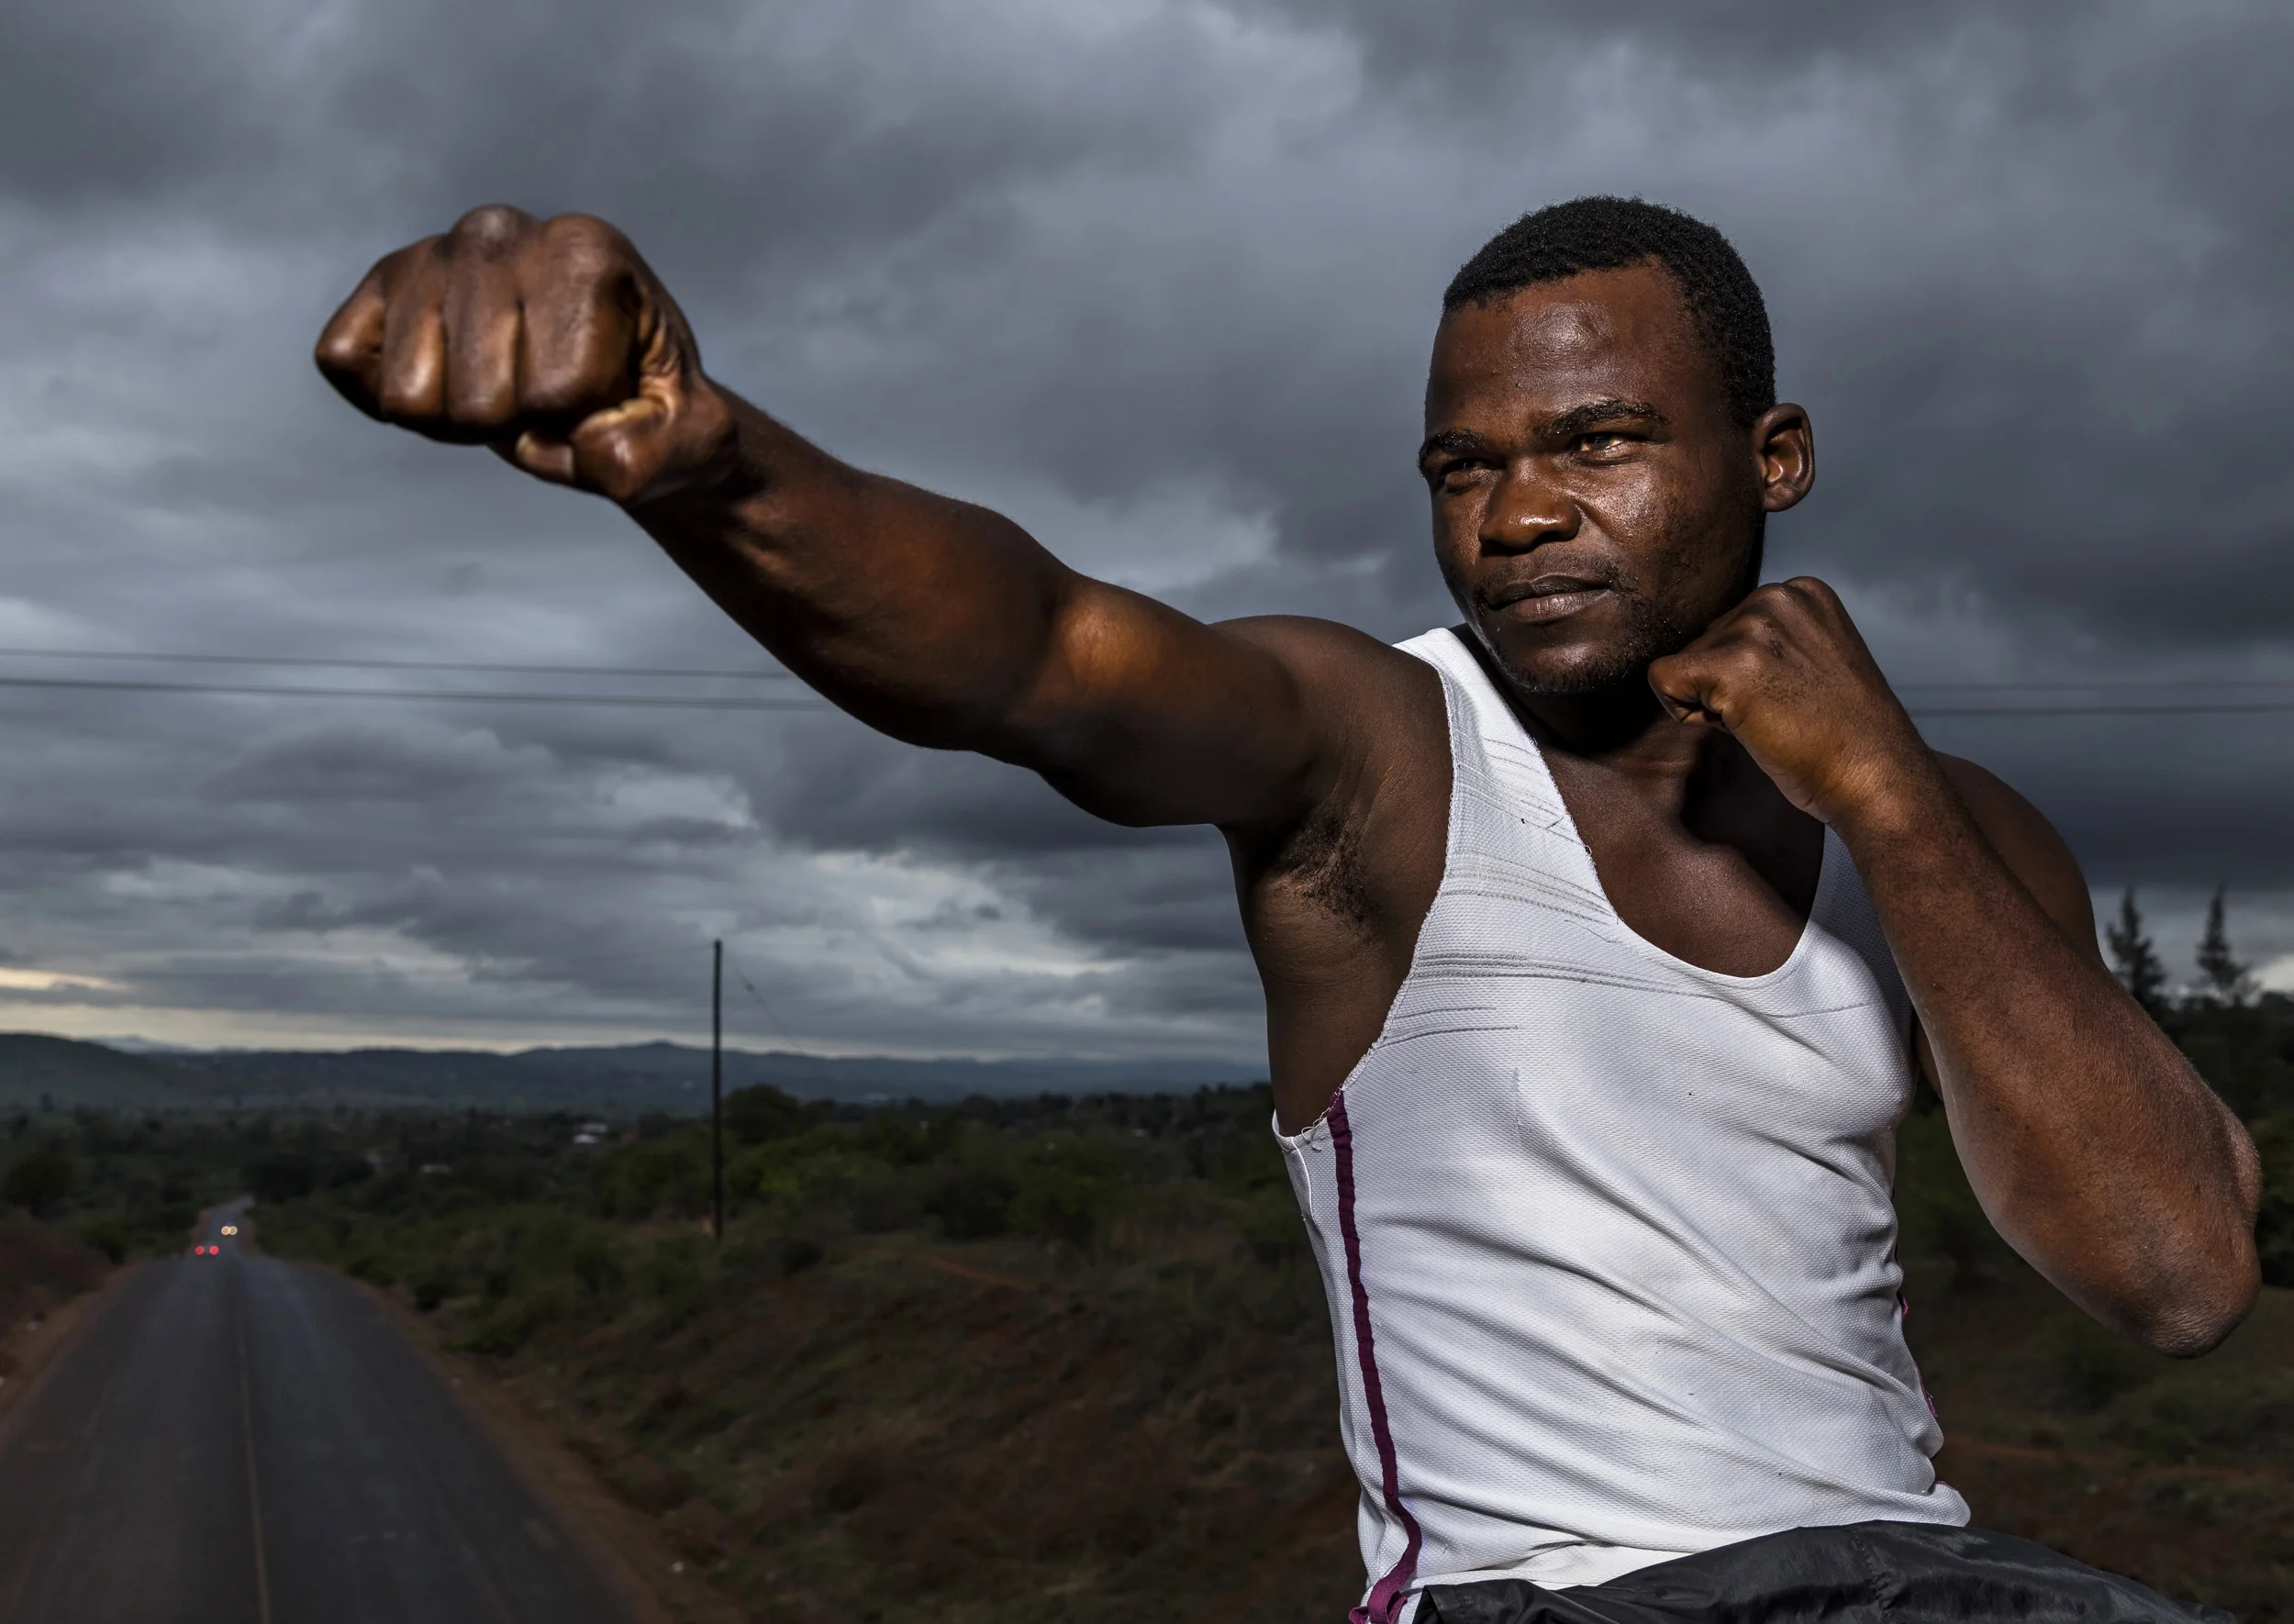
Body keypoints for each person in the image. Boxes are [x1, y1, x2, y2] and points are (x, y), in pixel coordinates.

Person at [316, 196, 2261, 1622]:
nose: (1510, 517)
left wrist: (1887, 798)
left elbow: (2168, 1275)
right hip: (1541, 1597)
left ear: (1771, 463)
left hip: (1917, 1580)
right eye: (1462, 468)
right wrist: (712, 455)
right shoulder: (1379, 753)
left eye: (1590, 444)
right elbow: (1042, 655)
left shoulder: (1947, 831)